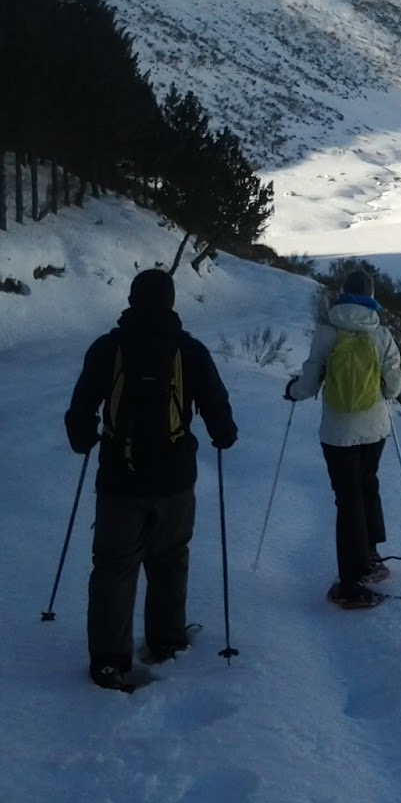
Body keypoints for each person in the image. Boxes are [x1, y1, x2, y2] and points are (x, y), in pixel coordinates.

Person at [65, 268, 237, 689]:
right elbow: (219, 414)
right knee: (170, 561)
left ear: (131, 298)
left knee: (113, 569)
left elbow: (79, 412)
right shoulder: (189, 351)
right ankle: (166, 641)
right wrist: (223, 434)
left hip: (119, 481)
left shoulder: (108, 348)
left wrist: (86, 438)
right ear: (171, 302)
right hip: (175, 479)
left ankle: (108, 660)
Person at [285, 268, 401, 610]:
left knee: (346, 499)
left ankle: (351, 583)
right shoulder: (382, 335)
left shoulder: (327, 332)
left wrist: (292, 390)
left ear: (343, 294)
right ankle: (371, 556)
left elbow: (307, 387)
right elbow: (394, 388)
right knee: (368, 484)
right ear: (370, 296)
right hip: (375, 428)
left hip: (337, 433)